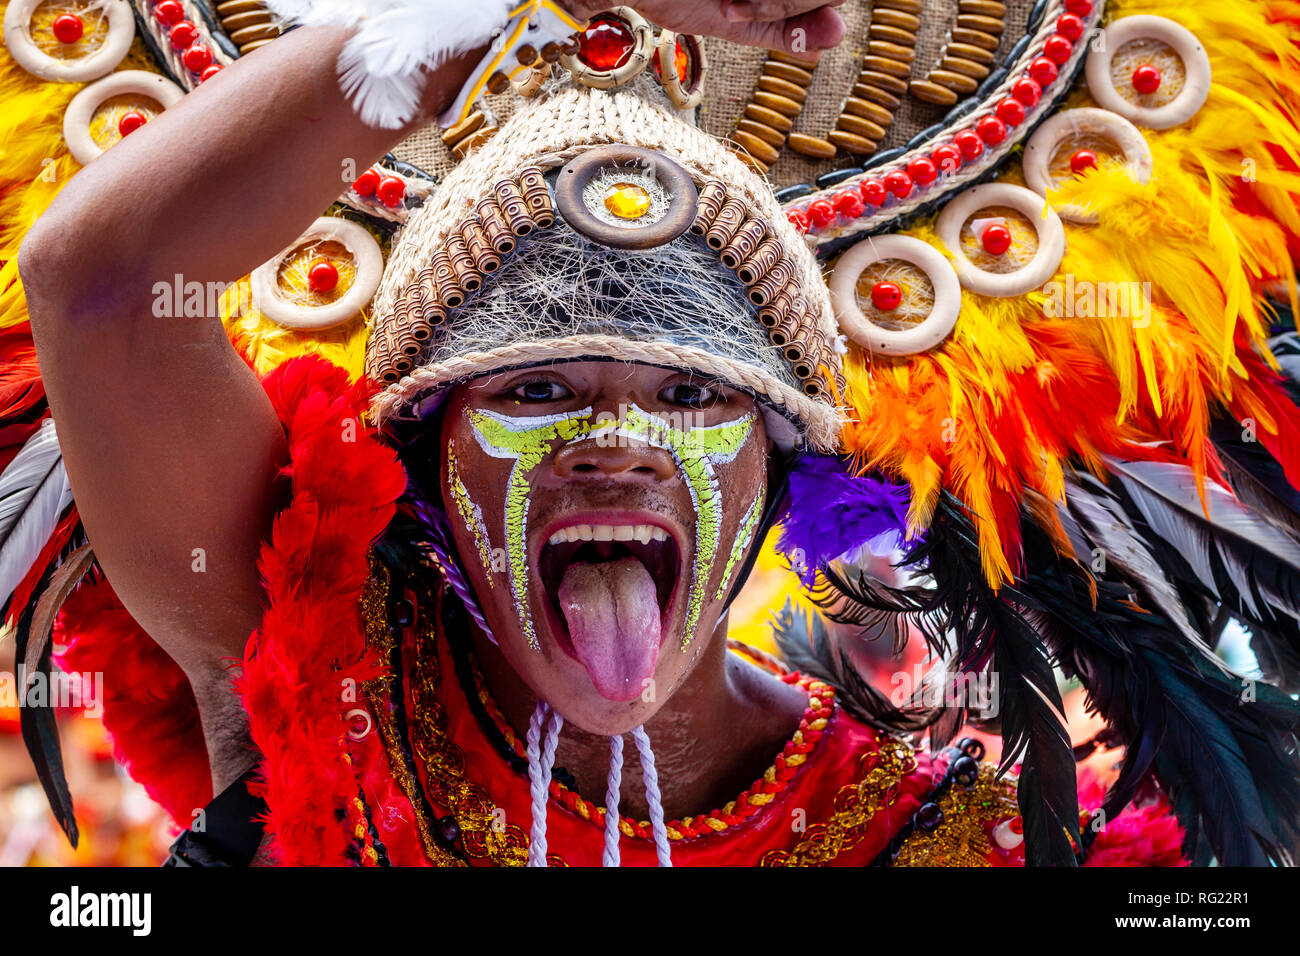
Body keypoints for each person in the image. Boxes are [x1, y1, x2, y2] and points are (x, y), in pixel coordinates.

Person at [6, 0, 1300, 866]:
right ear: (424, 462)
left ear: (777, 462)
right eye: (535, 389)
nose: (617, 439)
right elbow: (100, 285)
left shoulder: (946, 837)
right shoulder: (333, 670)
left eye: (693, 395)